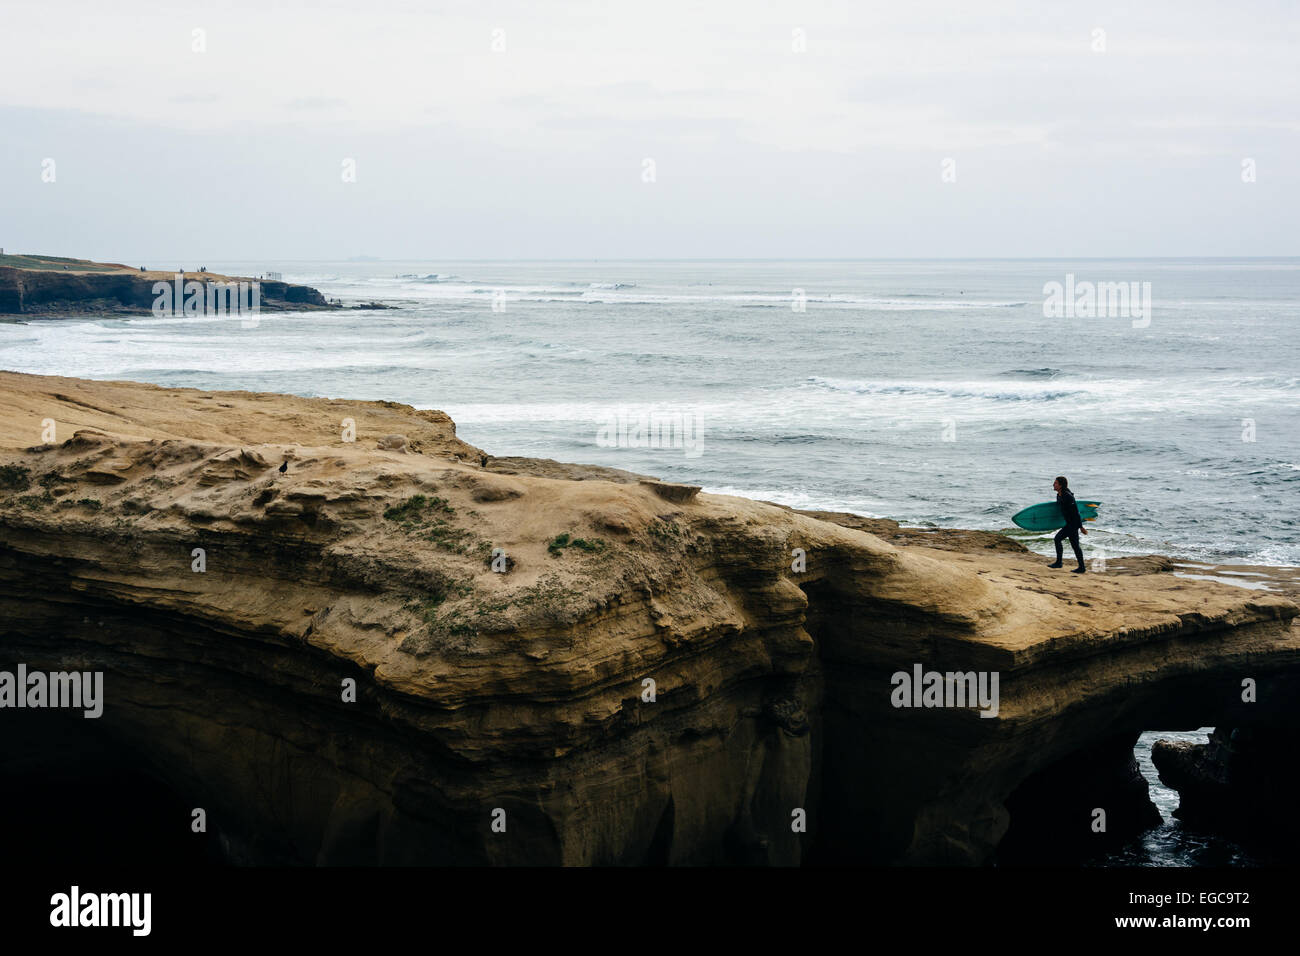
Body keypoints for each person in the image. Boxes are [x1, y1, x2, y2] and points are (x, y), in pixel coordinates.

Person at [1048, 475, 1087, 573]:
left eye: (1056, 483)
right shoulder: (1059, 495)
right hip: (1068, 523)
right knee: (1075, 546)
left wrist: (1081, 526)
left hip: (1072, 524)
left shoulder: (1067, 496)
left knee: (1058, 539)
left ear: (1060, 485)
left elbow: (1076, 512)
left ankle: (1059, 563)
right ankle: (1081, 567)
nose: (1053, 484)